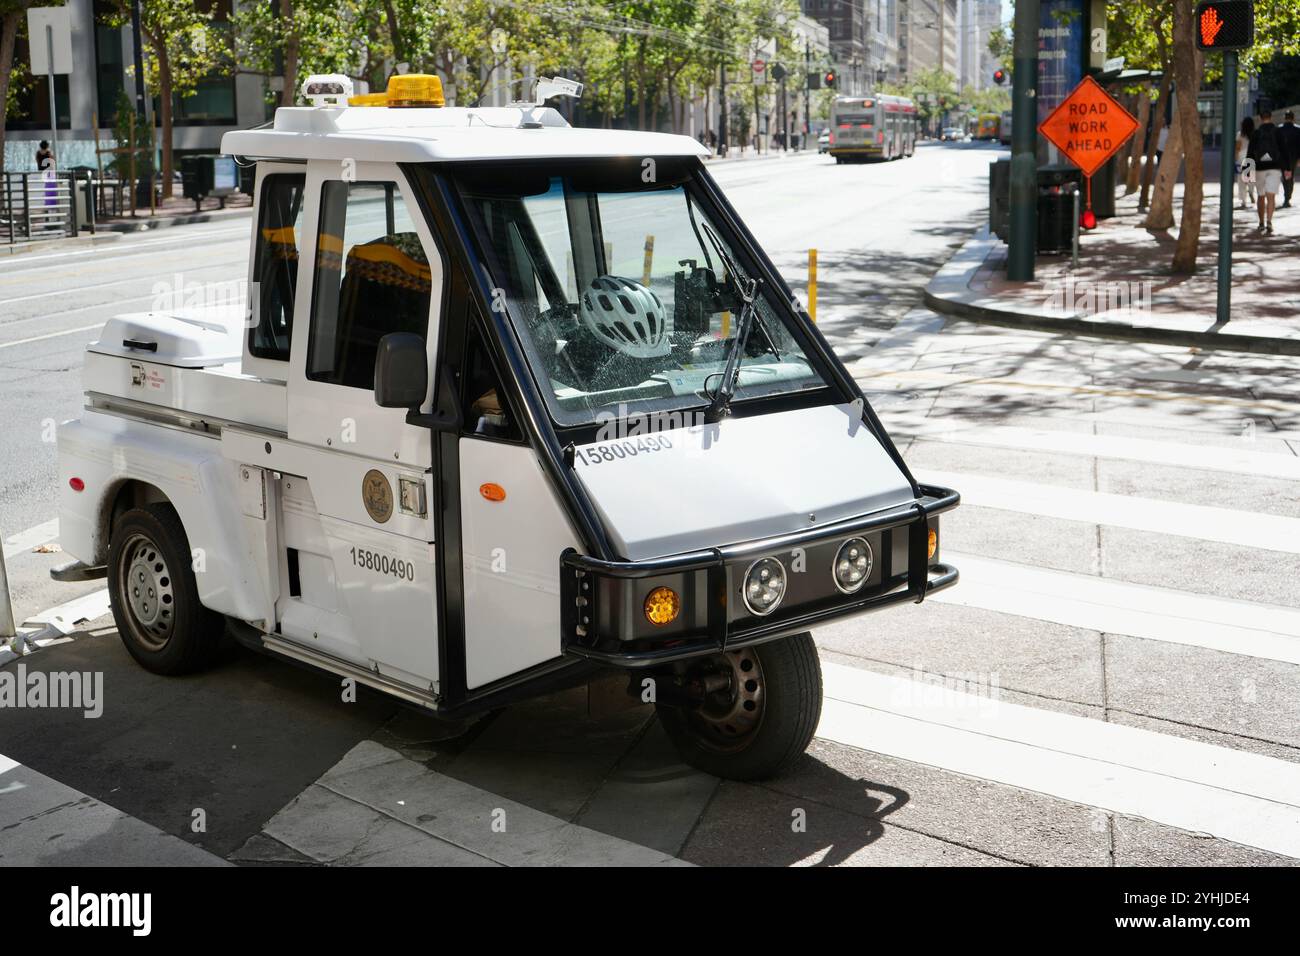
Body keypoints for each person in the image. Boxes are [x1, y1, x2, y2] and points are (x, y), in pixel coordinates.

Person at [1248, 109, 1292, 235]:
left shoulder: (1256, 133)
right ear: (1271, 117)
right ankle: (1269, 222)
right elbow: (1284, 150)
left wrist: (1247, 173)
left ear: (1261, 118)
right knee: (1271, 196)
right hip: (1275, 167)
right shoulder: (1277, 131)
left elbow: (1250, 153)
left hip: (1260, 168)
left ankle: (1261, 222)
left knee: (1261, 196)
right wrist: (1288, 168)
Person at [1279, 110, 1300, 208]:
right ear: (1293, 118)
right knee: (1290, 177)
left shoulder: (1279, 129)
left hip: (1282, 158)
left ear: (1285, 118)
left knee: (1285, 177)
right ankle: (1287, 197)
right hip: (1293, 157)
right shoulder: (1297, 129)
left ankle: (1287, 197)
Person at [1236, 117, 1257, 209]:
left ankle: (1243, 201)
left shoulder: (1240, 134)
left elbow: (1238, 147)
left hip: (1241, 157)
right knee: (1250, 179)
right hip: (1251, 157)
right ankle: (1251, 192)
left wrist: (1236, 158)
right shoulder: (1255, 134)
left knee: (1241, 181)